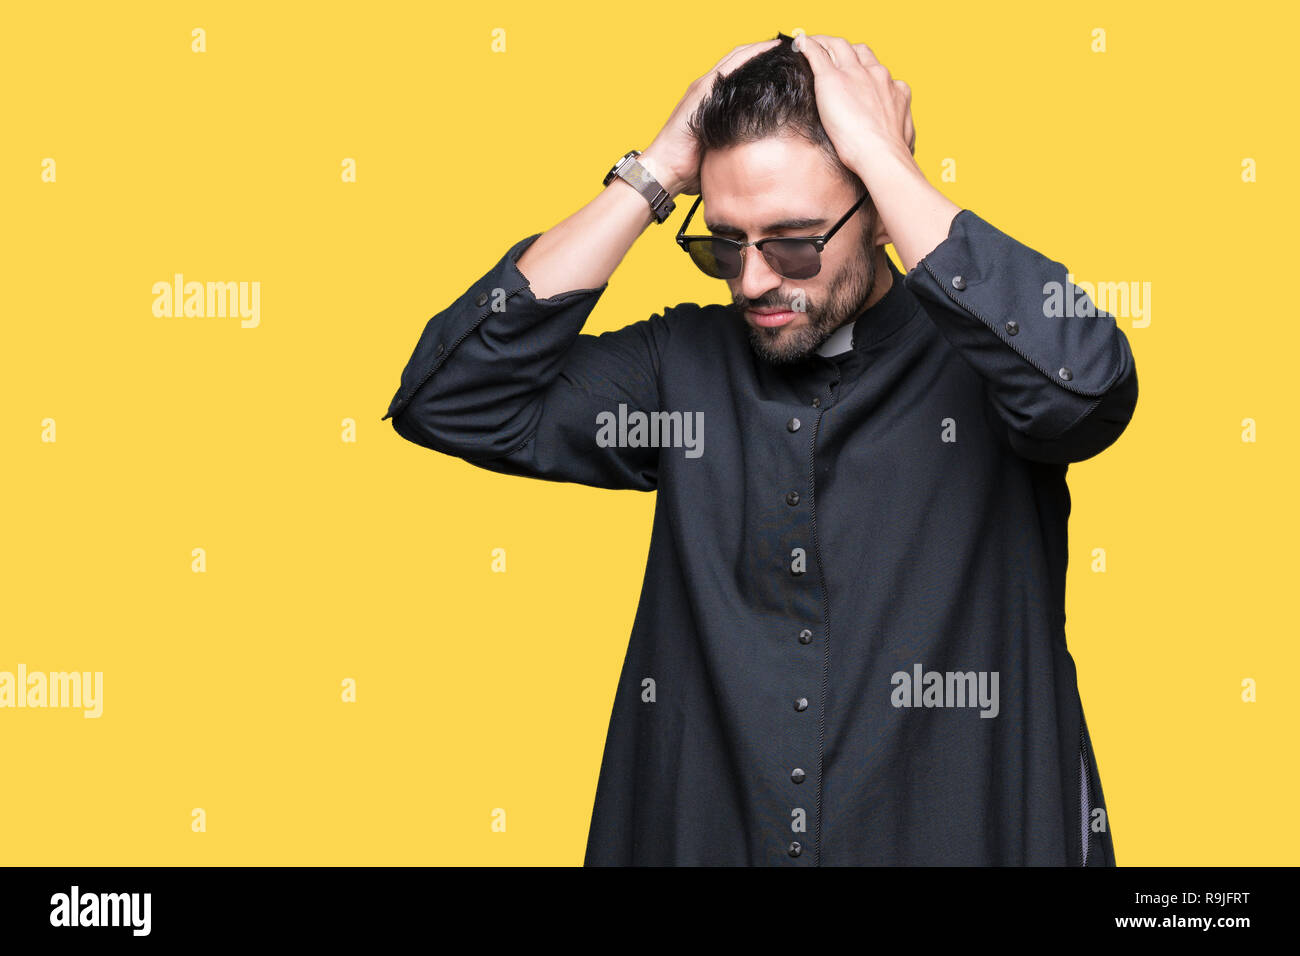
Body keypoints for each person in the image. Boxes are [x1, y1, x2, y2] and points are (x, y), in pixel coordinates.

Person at [383, 31, 1138, 865]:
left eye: (794, 243)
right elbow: (449, 400)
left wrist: (890, 164)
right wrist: (658, 169)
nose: (752, 281)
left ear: (881, 218)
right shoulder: (681, 370)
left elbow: (1085, 390)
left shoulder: (991, 366)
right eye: (724, 243)